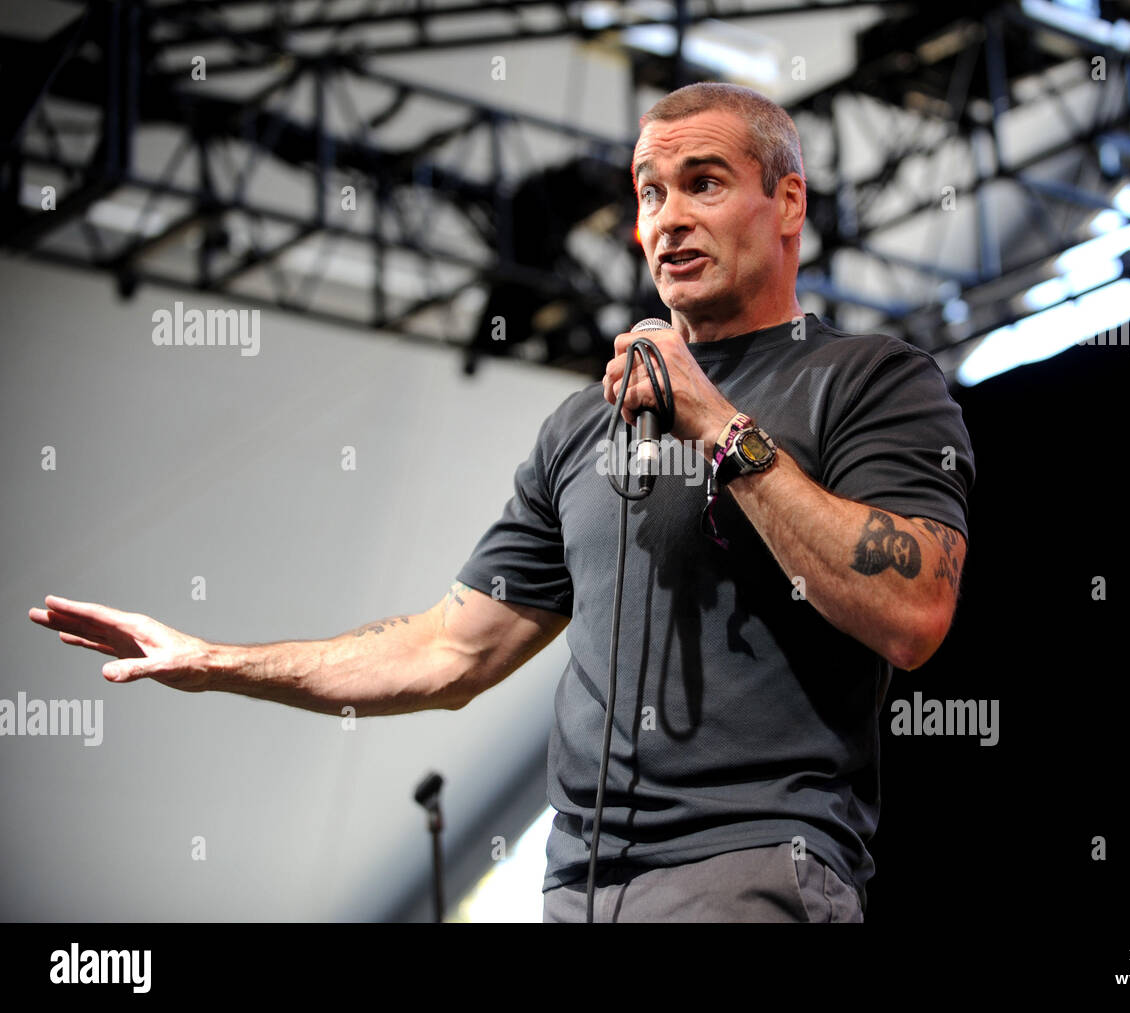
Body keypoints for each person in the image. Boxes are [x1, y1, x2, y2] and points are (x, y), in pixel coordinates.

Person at [29, 82, 974, 923]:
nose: (669, 218)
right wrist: (215, 661)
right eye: (649, 193)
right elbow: (450, 649)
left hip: (752, 868)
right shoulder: (582, 427)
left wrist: (718, 425)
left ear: (788, 204)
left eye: (706, 183)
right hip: (577, 886)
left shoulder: (868, 381)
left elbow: (914, 611)